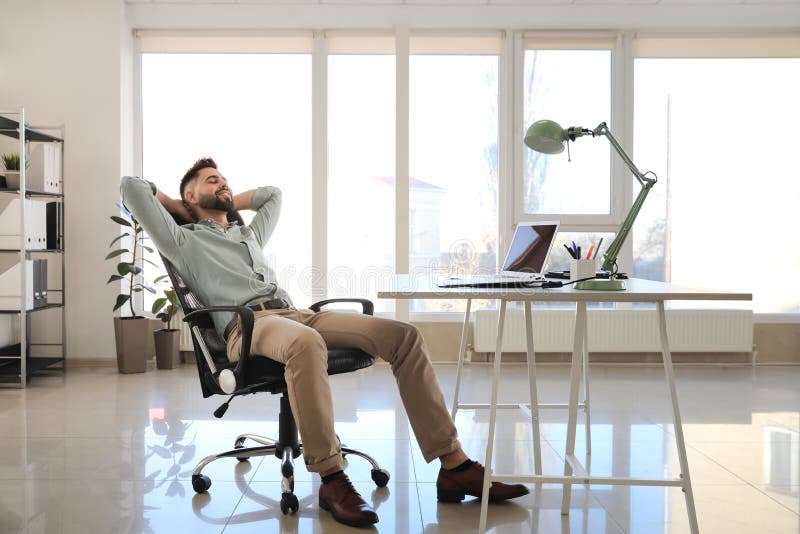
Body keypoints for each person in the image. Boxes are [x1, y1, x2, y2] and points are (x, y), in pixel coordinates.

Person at [120, 158, 529, 528]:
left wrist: (224, 198)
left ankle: (454, 465)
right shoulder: (183, 240)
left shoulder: (248, 234)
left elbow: (272, 196)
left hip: (295, 313)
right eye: (212, 181)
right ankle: (332, 478)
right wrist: (178, 207)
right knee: (306, 343)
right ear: (190, 196)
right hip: (247, 327)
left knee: (404, 336)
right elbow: (131, 187)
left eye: (225, 179)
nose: (223, 183)